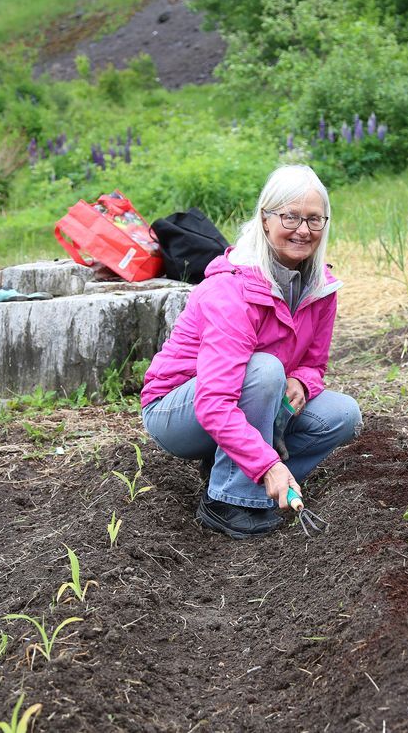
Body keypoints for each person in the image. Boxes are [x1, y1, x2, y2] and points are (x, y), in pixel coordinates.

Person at [141, 165, 362, 539]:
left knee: (342, 414)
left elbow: (314, 363)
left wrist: (303, 384)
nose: (303, 230)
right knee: (264, 370)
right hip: (177, 411)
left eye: (314, 219)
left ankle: (232, 470)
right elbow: (214, 401)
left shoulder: (320, 287)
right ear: (264, 218)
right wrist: (269, 464)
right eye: (290, 216)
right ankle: (228, 502)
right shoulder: (231, 290)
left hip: (246, 399)